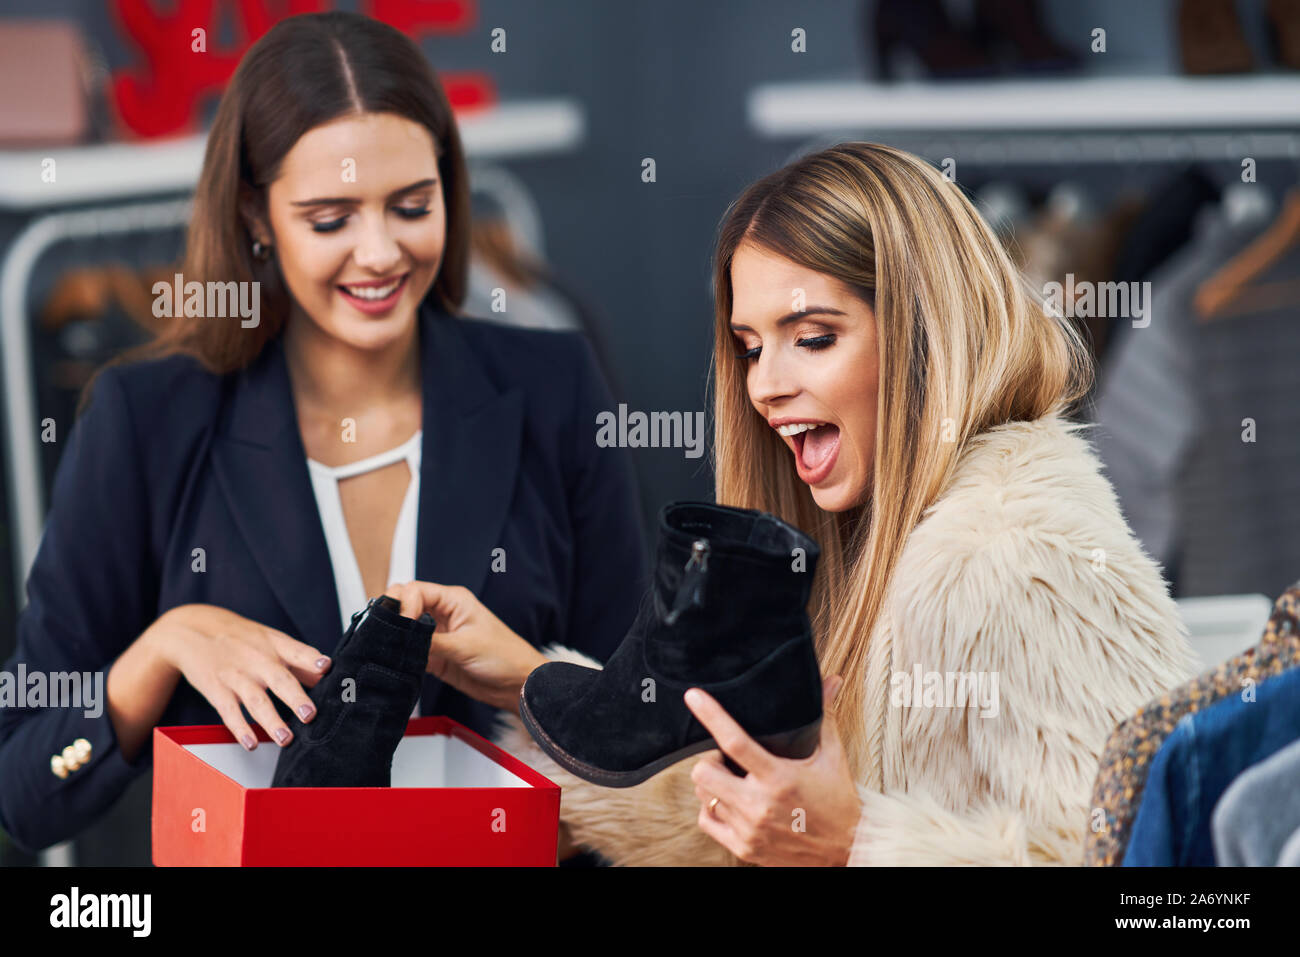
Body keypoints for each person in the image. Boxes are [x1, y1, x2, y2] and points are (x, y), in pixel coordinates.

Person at [390, 142, 1198, 865]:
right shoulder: (866, 538)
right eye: (749, 346)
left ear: (926, 334)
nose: (766, 385)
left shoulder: (1018, 551)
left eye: (812, 336)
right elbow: (738, 817)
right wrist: (534, 684)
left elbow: (1175, 891)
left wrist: (856, 844)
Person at [0, 11, 645, 858]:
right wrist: (163, 648)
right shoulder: (143, 421)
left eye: (411, 206)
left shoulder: (554, 386)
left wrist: (533, 679)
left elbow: (647, 730)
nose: (378, 253)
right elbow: (23, 788)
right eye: (330, 218)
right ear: (255, 214)